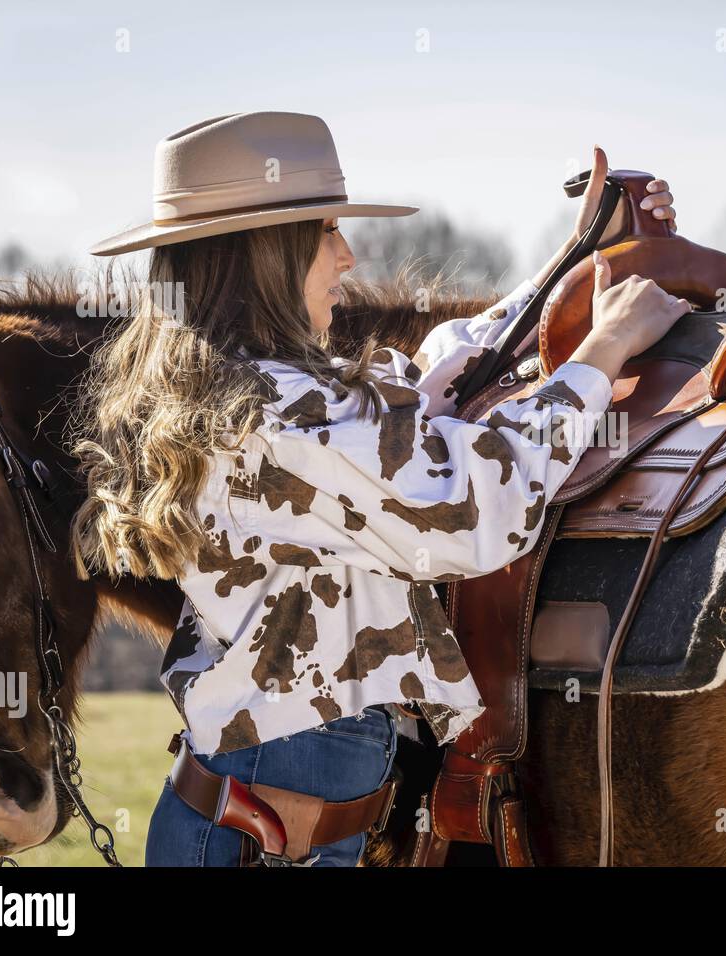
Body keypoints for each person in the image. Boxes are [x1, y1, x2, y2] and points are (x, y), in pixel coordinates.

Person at [69, 111, 691, 866]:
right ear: (267, 253)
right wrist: (605, 350)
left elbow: (432, 379)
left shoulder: (243, 396)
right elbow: (471, 508)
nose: (348, 256)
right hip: (271, 838)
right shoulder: (283, 415)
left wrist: (573, 264)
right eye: (327, 232)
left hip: (263, 820)